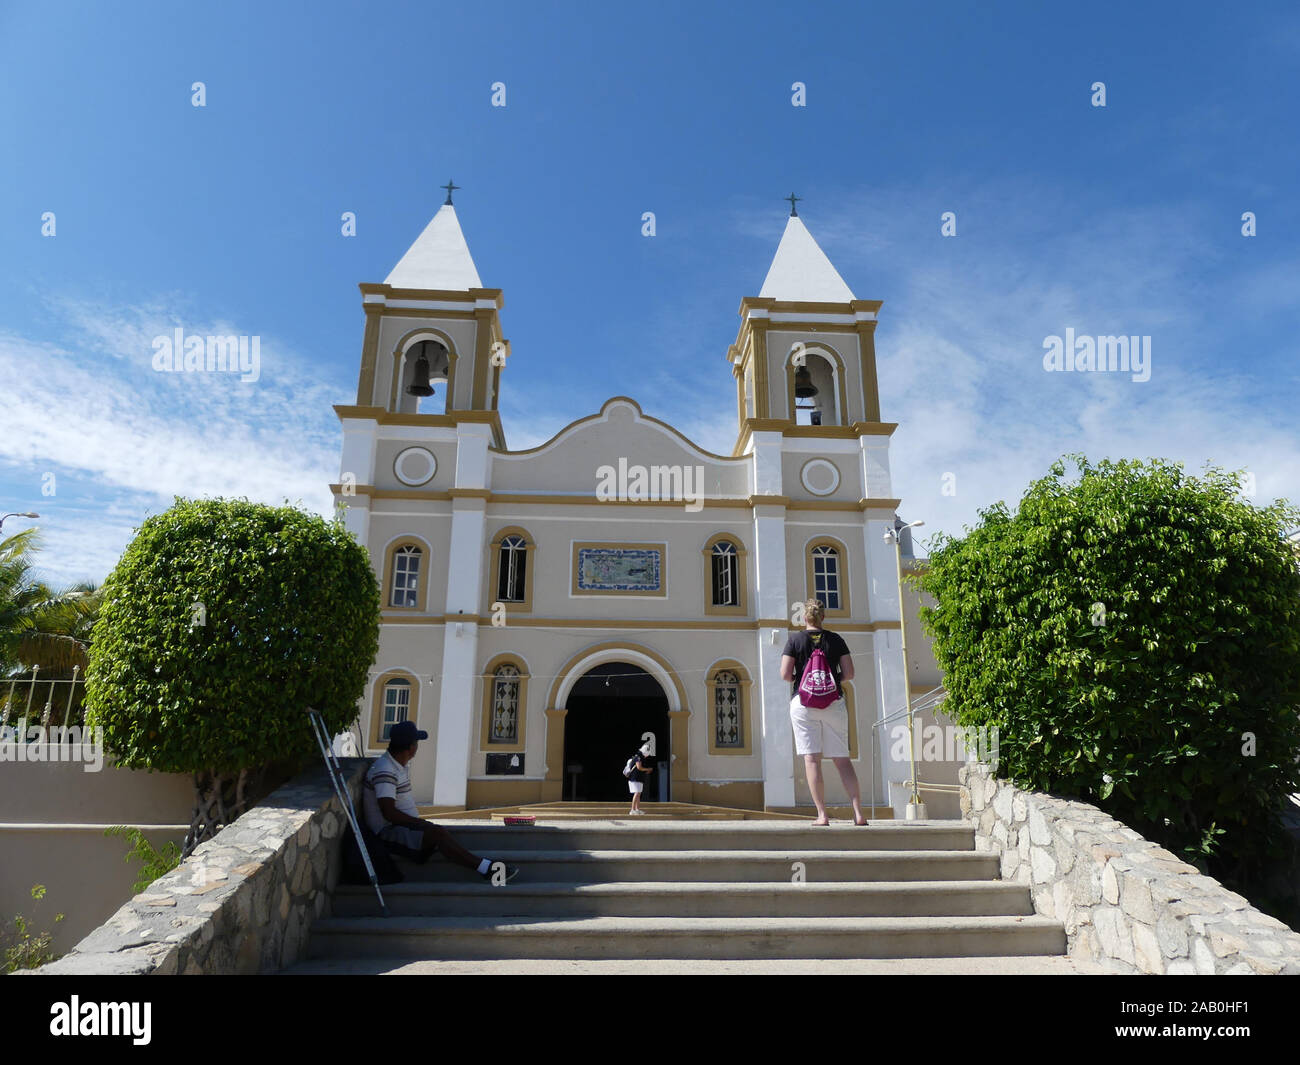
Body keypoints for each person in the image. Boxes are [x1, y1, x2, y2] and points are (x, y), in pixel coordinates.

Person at [362, 720, 518, 881]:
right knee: (437, 834)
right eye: (416, 742)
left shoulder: (395, 765)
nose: (417, 747)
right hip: (388, 833)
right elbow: (389, 813)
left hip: (404, 827)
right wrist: (419, 824)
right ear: (410, 747)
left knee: (438, 833)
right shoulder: (385, 769)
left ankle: (487, 867)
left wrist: (418, 824)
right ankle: (487, 869)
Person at [780, 598, 867, 826]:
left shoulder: (795, 640)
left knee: (812, 760)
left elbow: (785, 675)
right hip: (833, 702)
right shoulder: (835, 639)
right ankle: (858, 813)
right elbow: (849, 673)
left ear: (804, 617)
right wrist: (830, 680)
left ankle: (822, 814)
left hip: (803, 703)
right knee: (842, 760)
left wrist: (806, 678)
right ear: (823, 617)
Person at [626, 741, 654, 815]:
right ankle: (632, 810)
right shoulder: (638, 757)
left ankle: (637, 809)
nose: (647, 756)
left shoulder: (640, 757)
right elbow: (639, 767)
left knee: (638, 793)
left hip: (638, 778)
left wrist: (646, 771)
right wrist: (648, 769)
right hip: (635, 778)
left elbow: (640, 769)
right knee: (637, 793)